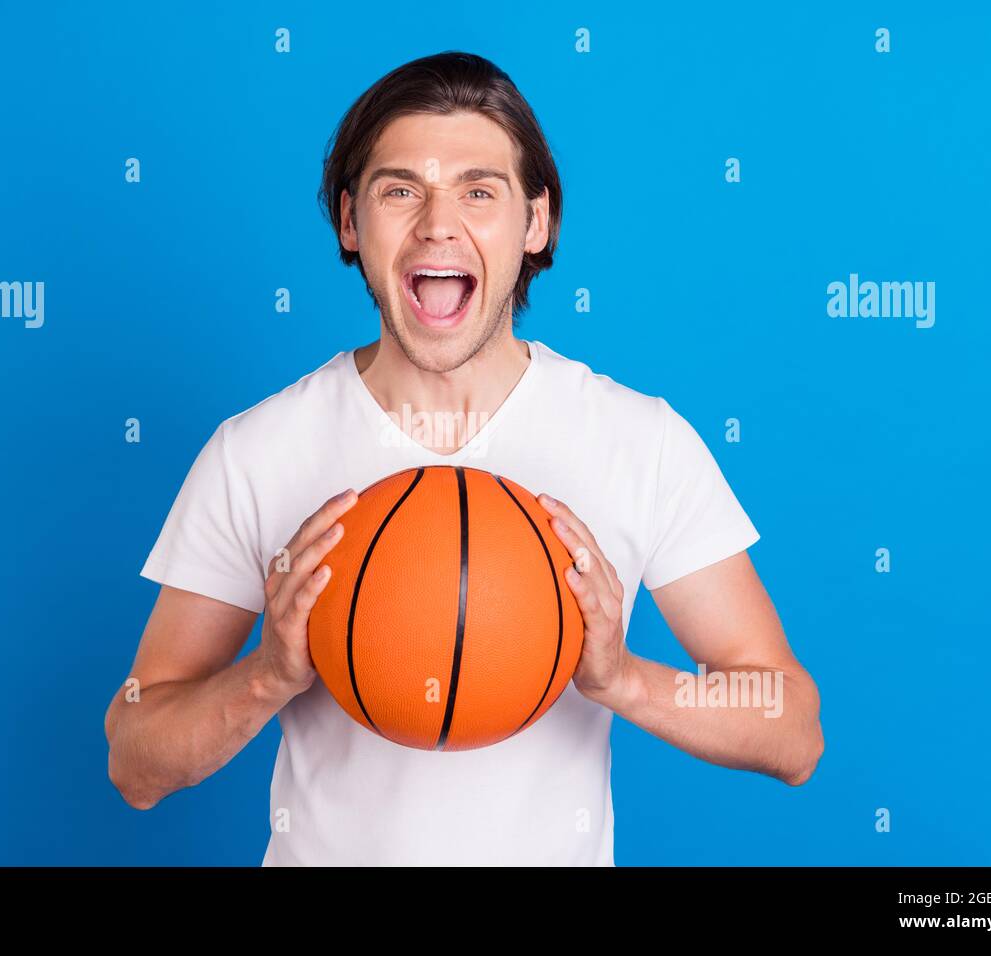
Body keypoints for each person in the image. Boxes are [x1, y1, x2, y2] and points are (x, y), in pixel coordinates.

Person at [103, 51, 823, 866]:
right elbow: (134, 757)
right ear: (349, 222)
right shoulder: (258, 451)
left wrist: (623, 679)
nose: (438, 224)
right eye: (400, 189)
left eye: (479, 192)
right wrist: (266, 675)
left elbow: (794, 729)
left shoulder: (639, 440)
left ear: (536, 223)